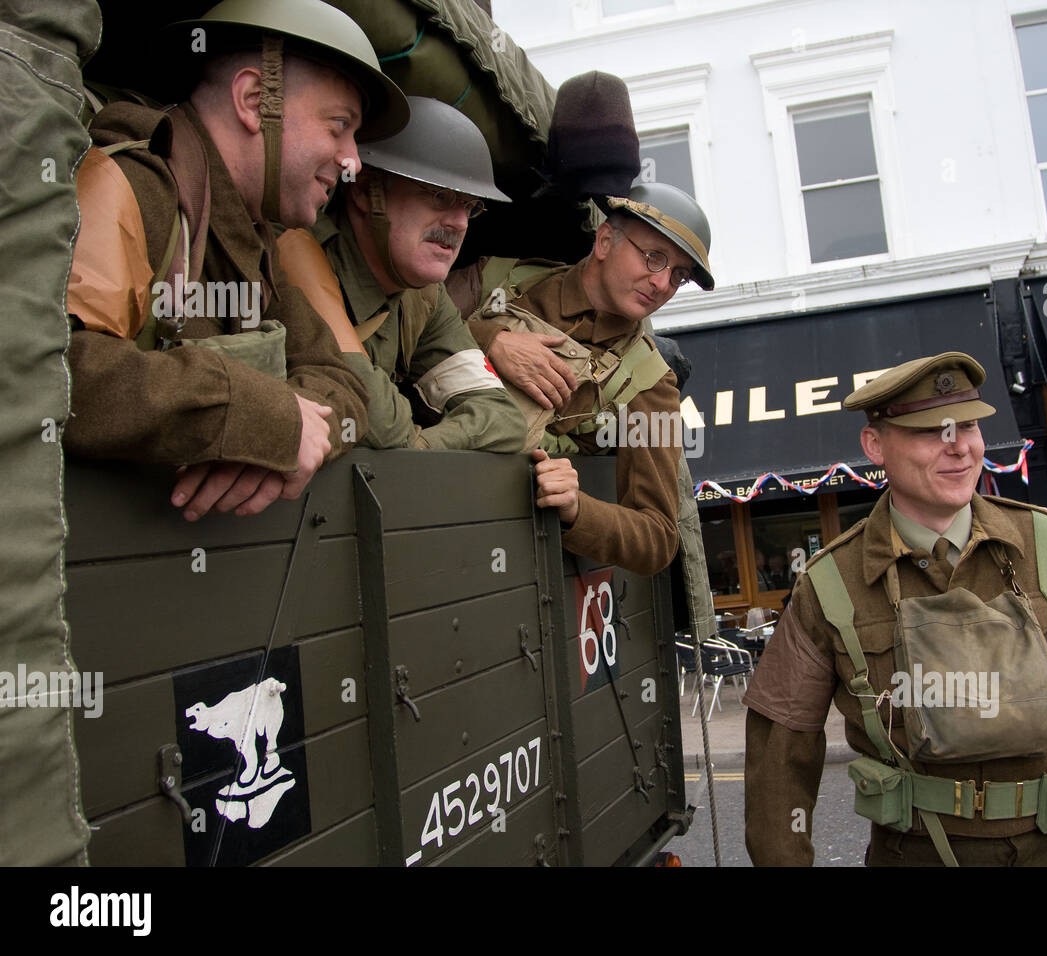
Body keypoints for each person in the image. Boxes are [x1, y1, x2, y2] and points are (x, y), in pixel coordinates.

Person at [743, 351, 1047, 867]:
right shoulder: (830, 583)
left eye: (968, 426)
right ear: (875, 445)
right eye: (930, 432)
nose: (959, 449)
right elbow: (779, 765)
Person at [65, 0, 409, 520]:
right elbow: (55, 369)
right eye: (339, 125)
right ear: (253, 101)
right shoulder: (132, 187)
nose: (353, 161)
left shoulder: (257, 240)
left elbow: (341, 381)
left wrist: (277, 437)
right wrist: (261, 420)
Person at [461, 181, 715, 576]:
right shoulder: (499, 279)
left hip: (507, 553)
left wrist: (579, 508)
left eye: (678, 275)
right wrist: (492, 340)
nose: (663, 283)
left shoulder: (650, 384)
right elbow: (411, 317)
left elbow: (658, 536)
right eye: (653, 257)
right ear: (604, 242)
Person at [277, 96, 525, 452]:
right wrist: (411, 444)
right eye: (439, 196)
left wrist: (420, 449)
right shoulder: (293, 259)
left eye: (469, 206)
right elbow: (383, 428)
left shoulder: (423, 296)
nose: (458, 222)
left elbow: (502, 419)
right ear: (364, 191)